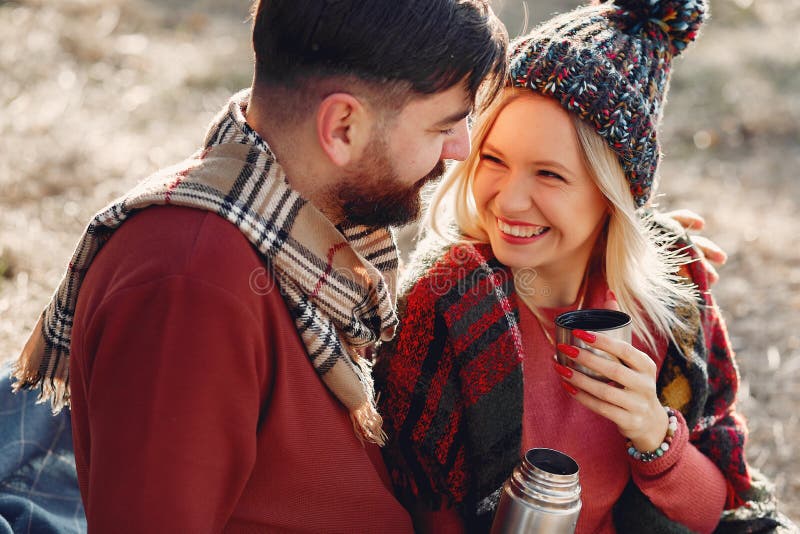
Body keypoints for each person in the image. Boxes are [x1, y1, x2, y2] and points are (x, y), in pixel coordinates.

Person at [10, 1, 509, 531]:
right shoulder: (191, 285)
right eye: (442, 127)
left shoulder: (303, 229)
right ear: (342, 125)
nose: (462, 148)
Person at [376, 0, 797, 532]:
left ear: (611, 196)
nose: (509, 201)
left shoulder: (672, 300)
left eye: (549, 175)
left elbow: (715, 508)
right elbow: (425, 512)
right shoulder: (449, 305)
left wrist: (653, 431)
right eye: (494, 159)